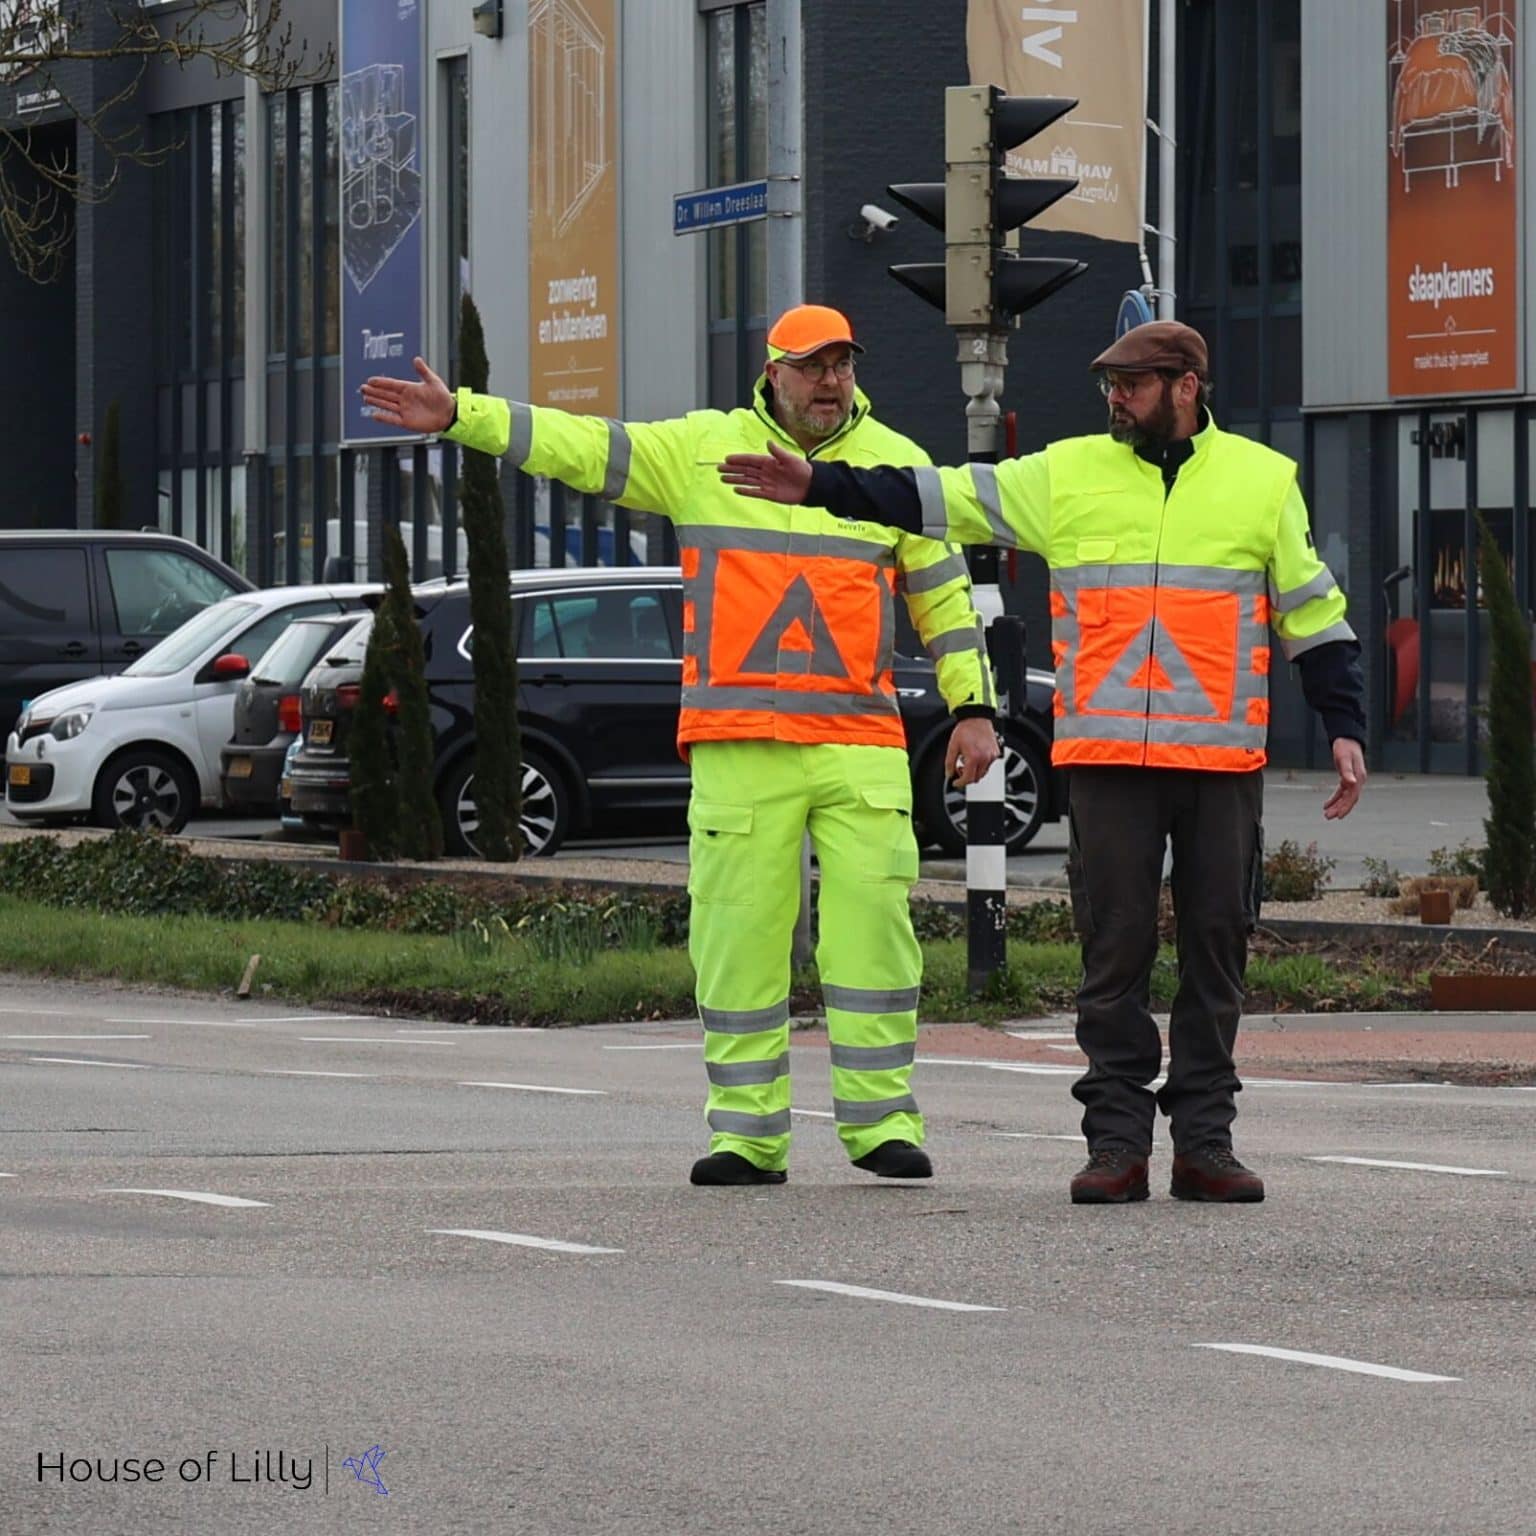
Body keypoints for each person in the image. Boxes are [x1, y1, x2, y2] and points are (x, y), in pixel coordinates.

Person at [719, 319, 1368, 1205]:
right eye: (1110, 385)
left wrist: (1343, 723)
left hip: (1220, 766)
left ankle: (1206, 1145)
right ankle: (1116, 1147)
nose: (1114, 400)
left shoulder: (1263, 481)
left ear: (1185, 387)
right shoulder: (1067, 474)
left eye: (1131, 386)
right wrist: (821, 482)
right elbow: (937, 496)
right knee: (1114, 953)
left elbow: (1311, 609)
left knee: (1218, 950)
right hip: (1103, 764)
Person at [361, 303, 1001, 1187]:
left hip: (858, 741)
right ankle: (746, 1135)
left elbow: (942, 595)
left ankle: (882, 1125)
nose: (831, 381)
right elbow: (583, 445)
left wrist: (974, 706)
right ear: (771, 371)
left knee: (876, 941)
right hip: (741, 744)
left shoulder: (897, 465)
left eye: (843, 364)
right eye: (813, 366)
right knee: (737, 940)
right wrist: (465, 415)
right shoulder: (700, 451)